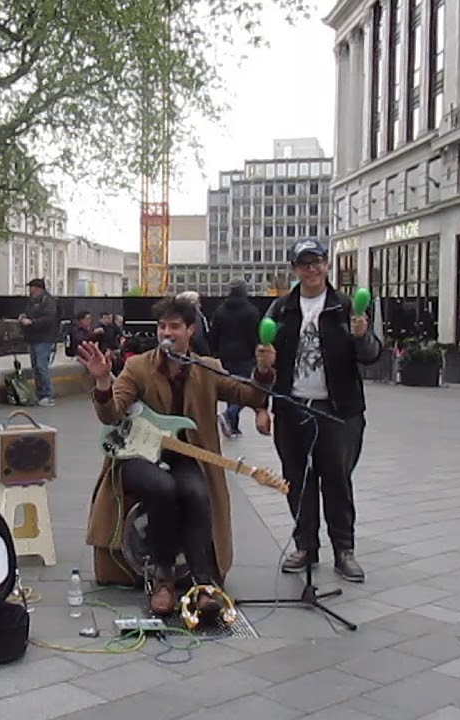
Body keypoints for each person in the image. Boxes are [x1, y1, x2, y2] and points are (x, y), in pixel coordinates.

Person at [74, 295, 276, 619]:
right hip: (136, 456)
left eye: (175, 327)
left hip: (184, 456)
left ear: (190, 330)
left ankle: (203, 583)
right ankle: (163, 578)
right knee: (163, 488)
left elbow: (248, 394)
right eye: (162, 326)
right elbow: (112, 415)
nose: (167, 332)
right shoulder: (137, 366)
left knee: (196, 492)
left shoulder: (205, 368)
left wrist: (264, 370)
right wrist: (101, 381)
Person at [255, 238, 382, 583]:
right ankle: (305, 546)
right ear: (294, 269)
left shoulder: (344, 306)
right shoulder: (281, 310)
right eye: (304, 264)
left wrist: (361, 336)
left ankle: (344, 549)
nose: (311, 270)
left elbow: (371, 356)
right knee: (297, 482)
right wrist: (262, 397)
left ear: (327, 264)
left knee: (337, 480)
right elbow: (265, 368)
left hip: (339, 411)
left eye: (317, 262)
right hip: (292, 407)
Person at [210, 280, 262, 439]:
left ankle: (233, 426)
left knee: (230, 388)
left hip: (225, 354)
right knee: (245, 389)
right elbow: (255, 335)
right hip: (245, 355)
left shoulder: (220, 311)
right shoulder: (251, 311)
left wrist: (214, 352)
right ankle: (229, 415)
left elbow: (214, 334)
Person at [17, 278, 58, 406]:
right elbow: (29, 313)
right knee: (35, 367)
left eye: (32, 288)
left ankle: (47, 394)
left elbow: (49, 319)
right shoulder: (32, 301)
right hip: (33, 338)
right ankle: (40, 394)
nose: (30, 290)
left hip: (44, 338)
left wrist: (32, 322)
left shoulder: (48, 301)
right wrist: (23, 317)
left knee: (42, 367)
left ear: (38, 288)